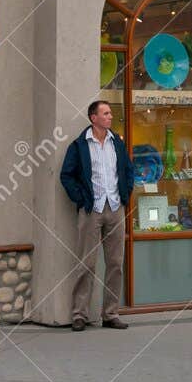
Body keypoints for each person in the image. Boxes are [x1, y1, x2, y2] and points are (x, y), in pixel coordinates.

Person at [60, 99, 135, 330]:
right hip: (92, 210)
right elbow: (66, 175)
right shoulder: (79, 145)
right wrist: (81, 199)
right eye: (106, 113)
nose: (110, 117)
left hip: (115, 208)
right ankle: (79, 315)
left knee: (115, 264)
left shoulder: (117, 144)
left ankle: (110, 314)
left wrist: (125, 194)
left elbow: (128, 171)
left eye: (110, 113)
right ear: (94, 118)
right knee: (86, 264)